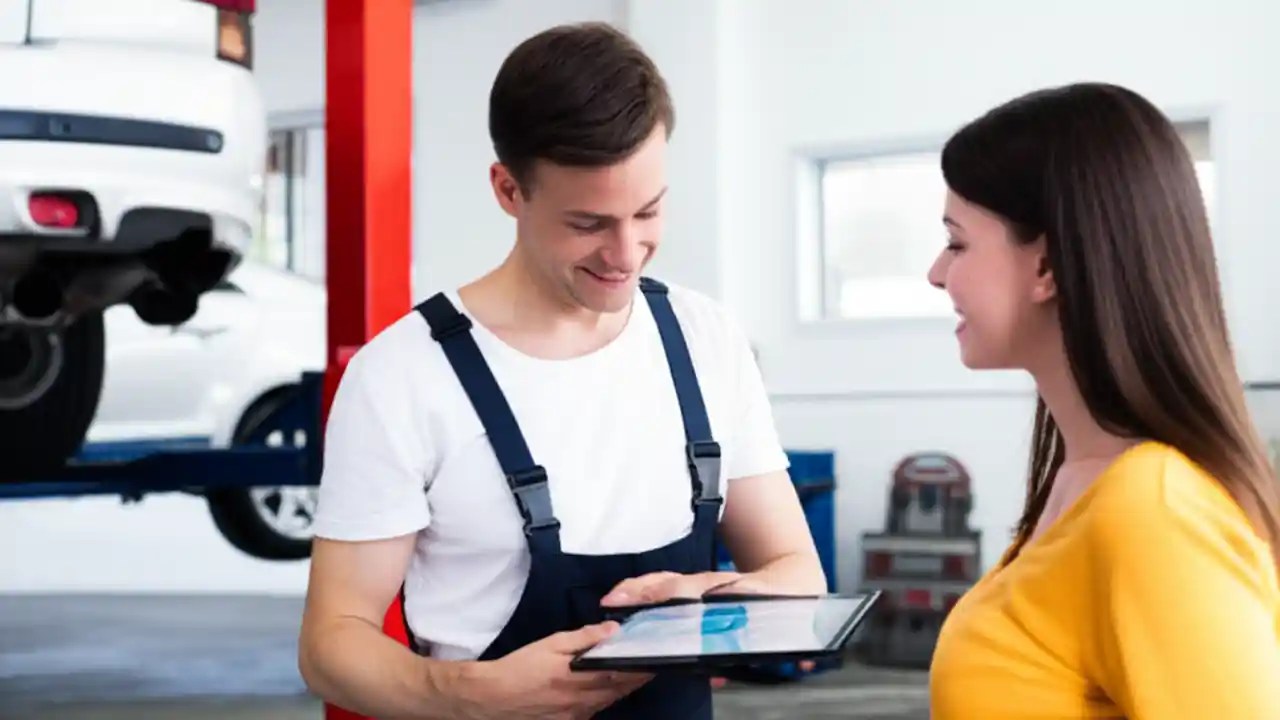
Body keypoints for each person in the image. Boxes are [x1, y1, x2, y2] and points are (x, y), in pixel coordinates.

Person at [297, 21, 826, 720]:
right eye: (587, 223)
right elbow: (331, 643)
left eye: (648, 211)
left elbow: (797, 573)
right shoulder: (403, 375)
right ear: (508, 189)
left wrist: (705, 602)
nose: (626, 253)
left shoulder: (704, 339)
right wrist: (468, 695)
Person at [925, 82, 1280, 718]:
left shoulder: (1152, 511)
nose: (936, 272)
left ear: (1048, 267)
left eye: (957, 243)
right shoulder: (1084, 480)